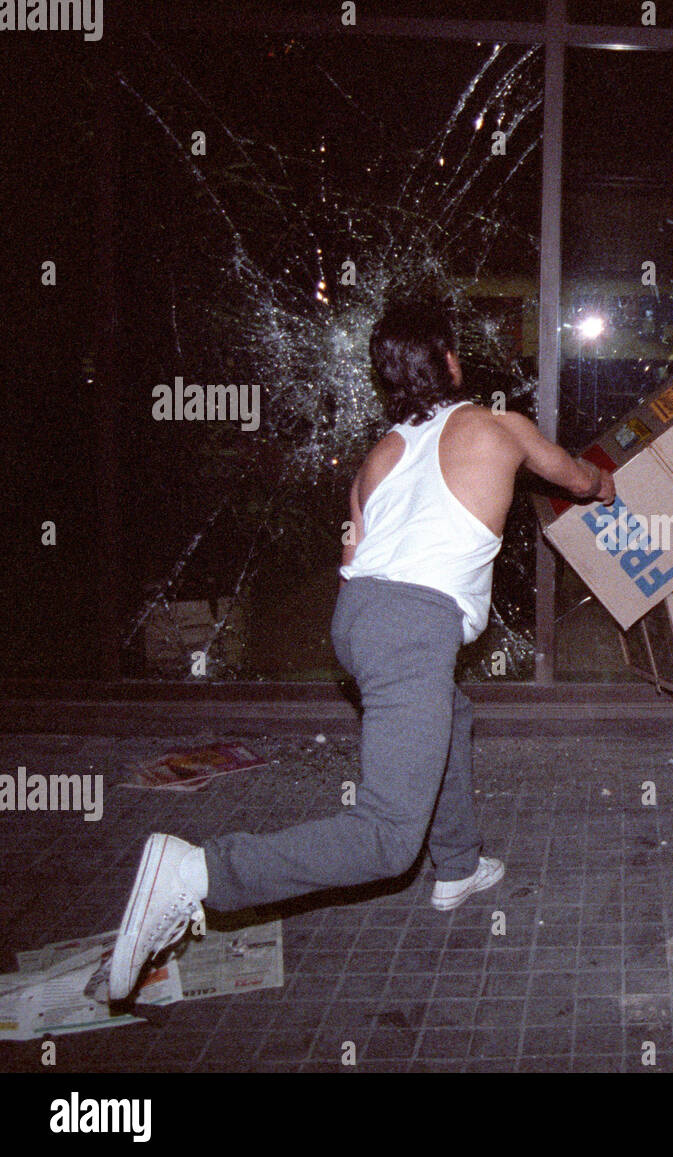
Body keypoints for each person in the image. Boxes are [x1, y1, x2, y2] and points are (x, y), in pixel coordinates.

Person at [108, 300, 616, 1001]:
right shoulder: (501, 427)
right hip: (412, 627)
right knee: (384, 836)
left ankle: (459, 865)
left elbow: (354, 553)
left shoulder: (379, 457)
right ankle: (198, 873)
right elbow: (576, 478)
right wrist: (604, 484)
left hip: (358, 619)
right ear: (451, 363)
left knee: (450, 714)